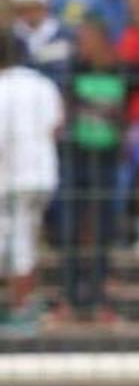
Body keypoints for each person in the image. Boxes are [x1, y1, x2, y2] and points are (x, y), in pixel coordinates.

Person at [0, 33, 63, 329]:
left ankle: (23, 309)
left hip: (11, 177)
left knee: (15, 243)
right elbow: (56, 125)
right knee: (26, 238)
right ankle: (22, 305)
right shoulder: (44, 84)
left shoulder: (3, 87)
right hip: (43, 173)